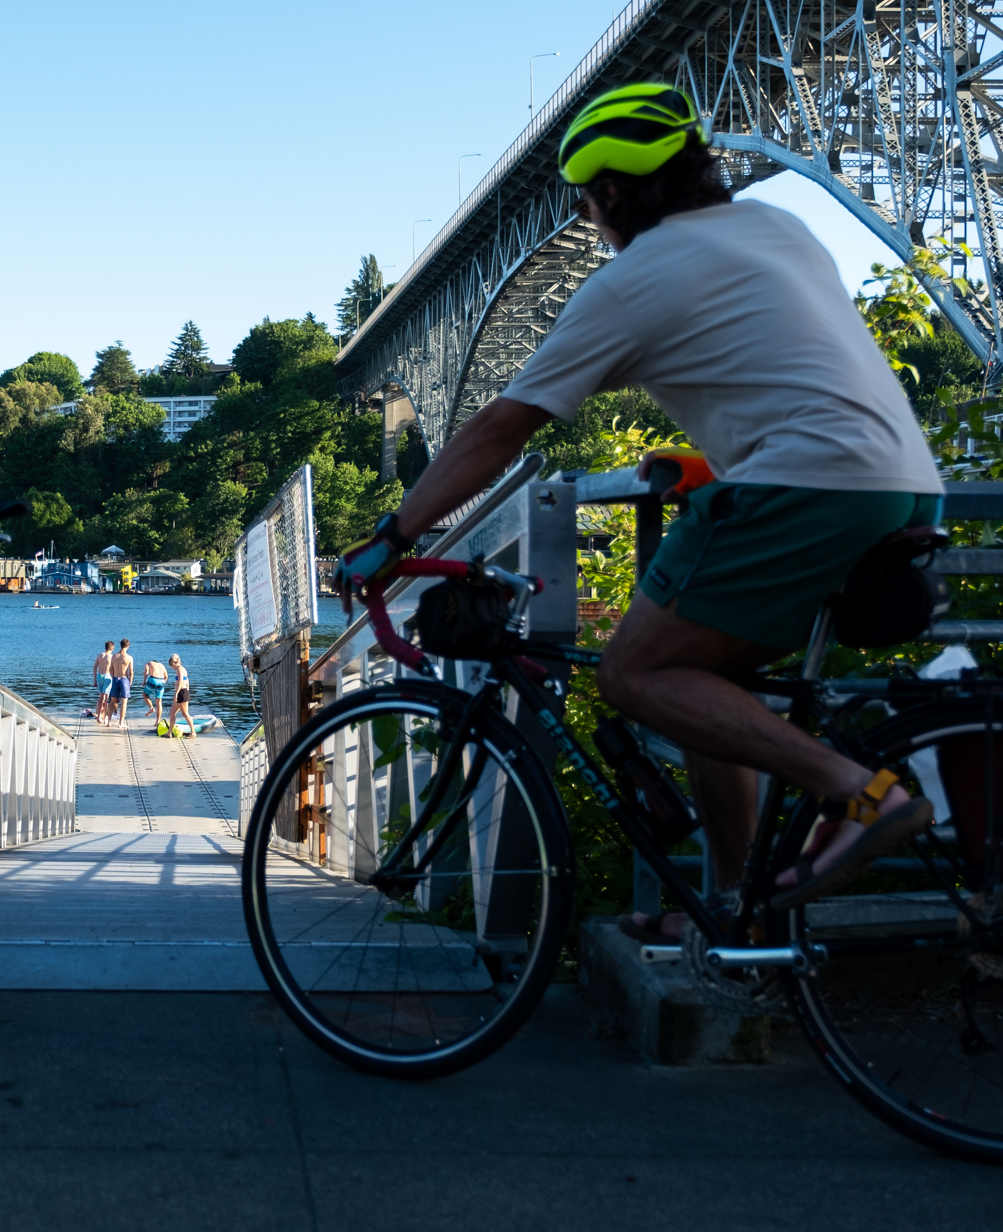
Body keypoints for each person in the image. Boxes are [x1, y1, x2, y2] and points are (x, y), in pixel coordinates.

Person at [336, 82, 941, 933]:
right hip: (903, 481)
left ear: (614, 192)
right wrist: (720, 457)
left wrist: (392, 536)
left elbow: (498, 430)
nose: (589, 220)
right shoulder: (779, 228)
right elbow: (784, 364)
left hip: (807, 485)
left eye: (588, 203)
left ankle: (860, 794)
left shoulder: (635, 280)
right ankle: (735, 911)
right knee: (703, 682)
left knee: (633, 674)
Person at [165, 654, 194, 737]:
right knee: (172, 712)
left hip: (182, 693)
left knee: (185, 714)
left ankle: (193, 732)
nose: (172, 668)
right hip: (183, 692)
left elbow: (181, 682)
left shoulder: (179, 669)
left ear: (173, 664)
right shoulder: (182, 669)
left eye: (171, 667)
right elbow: (187, 681)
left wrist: (176, 694)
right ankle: (169, 733)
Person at [108, 639, 135, 728]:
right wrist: (130, 682)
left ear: (120, 645)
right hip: (124, 679)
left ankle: (109, 722)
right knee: (124, 702)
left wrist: (113, 677)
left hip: (115, 678)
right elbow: (131, 672)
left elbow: (110, 669)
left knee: (112, 701)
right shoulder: (129, 658)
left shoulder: (114, 656)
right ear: (128, 646)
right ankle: (121, 723)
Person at [140, 656, 168, 724]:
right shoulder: (162, 665)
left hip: (153, 679)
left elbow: (146, 671)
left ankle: (151, 708)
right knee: (159, 702)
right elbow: (166, 676)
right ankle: (157, 721)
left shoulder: (149, 663)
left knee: (145, 694)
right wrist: (163, 683)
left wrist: (144, 681)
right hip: (162, 681)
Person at [92, 641, 115, 720]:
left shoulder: (99, 655)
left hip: (99, 676)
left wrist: (94, 680)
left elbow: (94, 668)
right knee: (106, 699)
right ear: (112, 648)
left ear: (105, 647)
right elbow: (113, 670)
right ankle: (105, 717)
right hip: (107, 676)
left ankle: (99, 717)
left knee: (101, 698)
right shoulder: (112, 657)